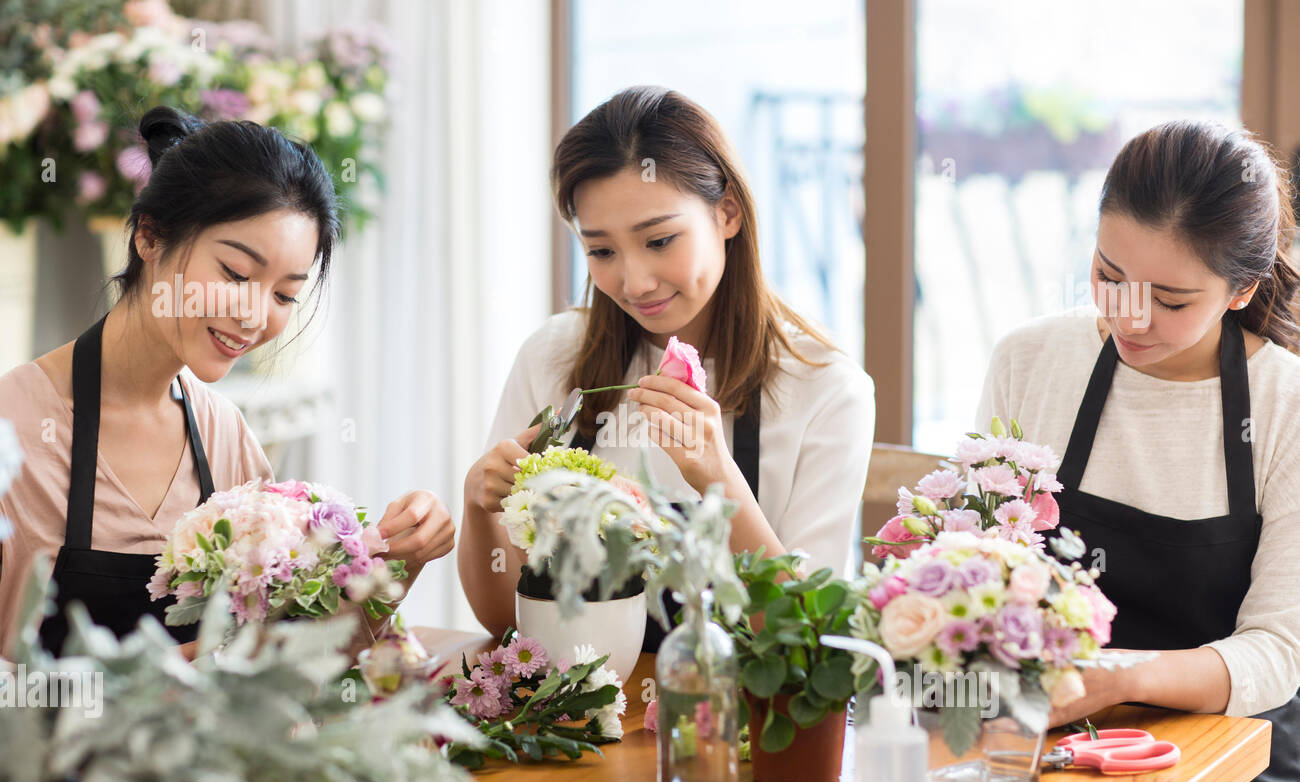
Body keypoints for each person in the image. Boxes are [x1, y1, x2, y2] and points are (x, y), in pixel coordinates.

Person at [0, 106, 454, 658]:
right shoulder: (16, 428)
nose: (254, 315)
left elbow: (298, 661)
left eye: (285, 294)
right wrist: (186, 666)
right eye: (236, 274)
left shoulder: (224, 435)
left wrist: (397, 565)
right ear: (150, 235)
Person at [977, 120, 1300, 782]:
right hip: (1045, 763)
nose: (1130, 315)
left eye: (1172, 300)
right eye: (1109, 275)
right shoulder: (1030, 361)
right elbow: (983, 567)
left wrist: (1115, 677)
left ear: (1241, 290)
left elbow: (1279, 651)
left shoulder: (1284, 405)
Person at [459, 85, 875, 647]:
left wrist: (718, 479)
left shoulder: (825, 388)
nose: (634, 282)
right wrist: (479, 507)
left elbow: (804, 637)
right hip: (590, 709)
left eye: (659, 240)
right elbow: (506, 623)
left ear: (727, 212)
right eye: (601, 251)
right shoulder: (556, 356)